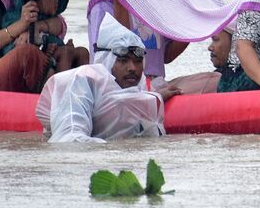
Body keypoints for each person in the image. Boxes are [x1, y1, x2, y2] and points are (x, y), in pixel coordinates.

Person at [35, 14, 181, 143]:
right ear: (107, 60)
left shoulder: (139, 87)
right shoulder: (82, 81)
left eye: (137, 61)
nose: (132, 68)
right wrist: (154, 98)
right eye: (123, 60)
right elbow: (70, 140)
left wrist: (152, 98)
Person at [1, 0, 89, 69]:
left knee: (83, 52)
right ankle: (62, 84)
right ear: (34, 1)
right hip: (35, 64)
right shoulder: (15, 17)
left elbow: (59, 27)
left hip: (54, 55)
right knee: (65, 54)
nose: (56, 1)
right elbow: (14, 49)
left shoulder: (54, 19)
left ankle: (83, 83)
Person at [161, 24, 235, 95]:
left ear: (236, 43)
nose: (210, 47)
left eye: (215, 40)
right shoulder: (218, 80)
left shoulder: (215, 81)